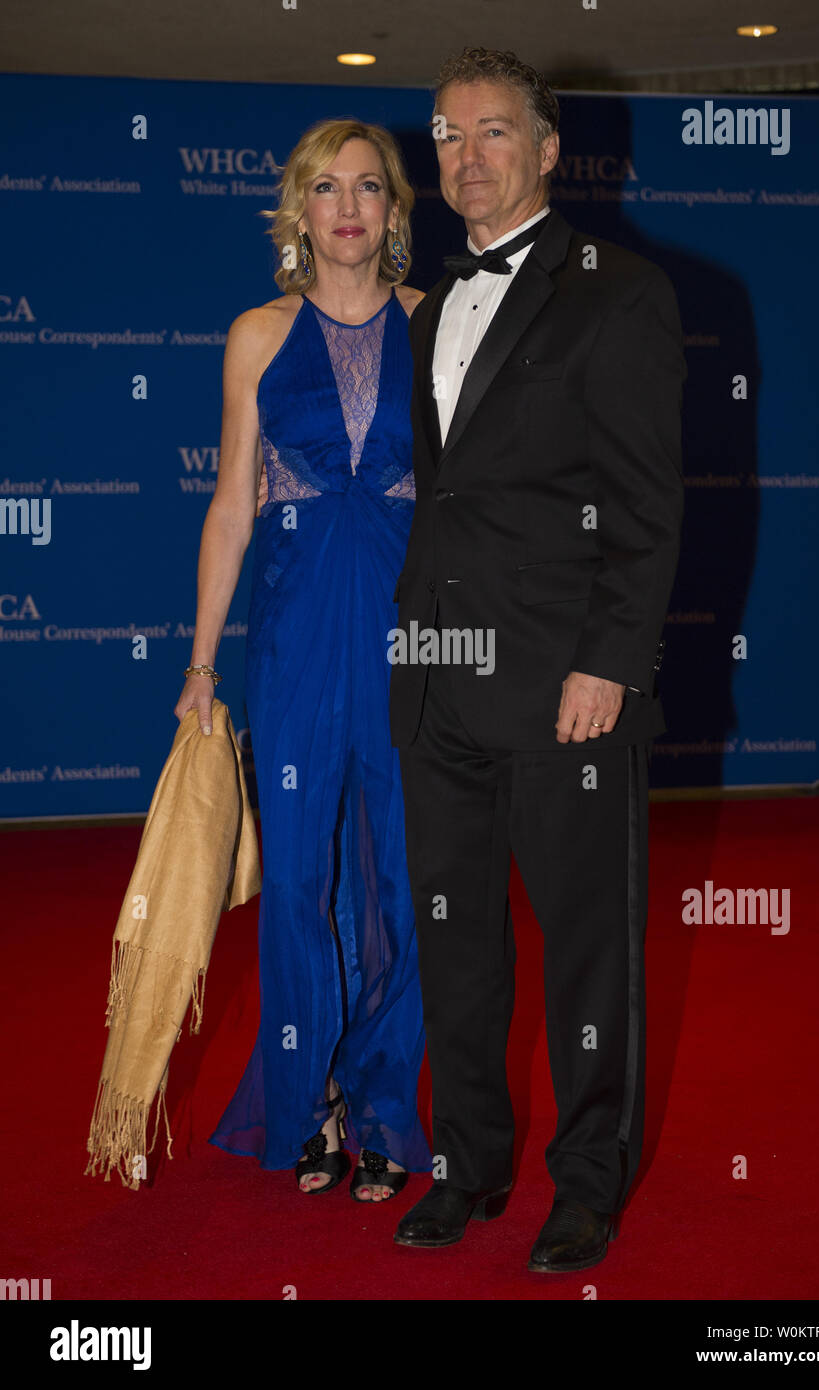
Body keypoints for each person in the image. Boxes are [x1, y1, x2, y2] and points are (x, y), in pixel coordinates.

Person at [390, 48, 686, 1269]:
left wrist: (607, 664)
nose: (466, 158)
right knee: (455, 938)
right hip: (437, 676)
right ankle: (466, 1159)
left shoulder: (615, 291)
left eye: (493, 132)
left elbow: (643, 501)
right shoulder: (432, 300)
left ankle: (585, 1180)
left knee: (583, 950)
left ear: (549, 151)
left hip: (566, 685)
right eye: (449, 137)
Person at [174, 118, 432, 1202]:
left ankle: (383, 1103)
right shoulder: (255, 335)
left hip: (411, 631)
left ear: (392, 211)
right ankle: (309, 1097)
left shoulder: (438, 322)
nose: (345, 206)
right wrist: (199, 667)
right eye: (324, 187)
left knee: (401, 879)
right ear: (296, 210)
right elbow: (232, 506)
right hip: (291, 631)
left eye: (367, 188)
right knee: (296, 882)